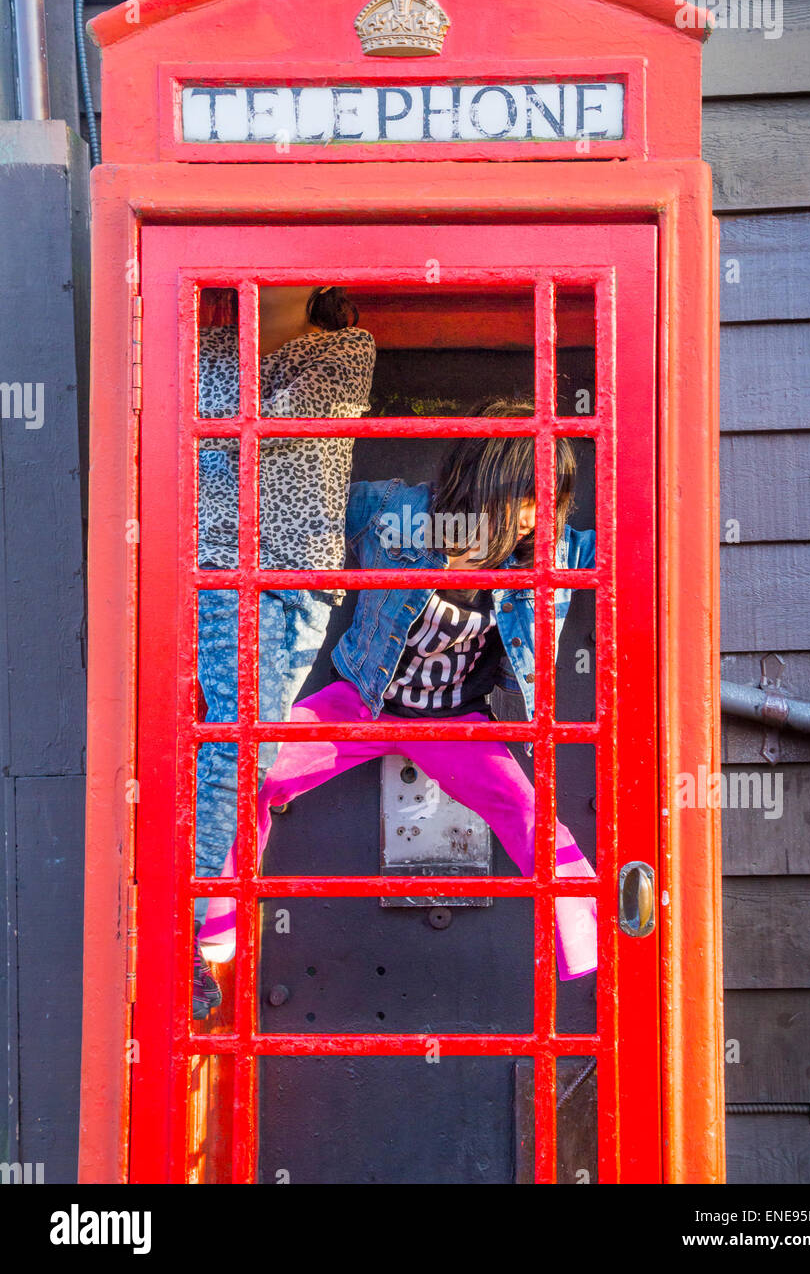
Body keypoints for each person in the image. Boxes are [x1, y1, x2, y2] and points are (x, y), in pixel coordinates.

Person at [200, 400, 597, 985]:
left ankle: (591, 955)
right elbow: (305, 499)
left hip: (454, 721)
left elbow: (637, 526)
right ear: (480, 479)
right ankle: (217, 923)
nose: (533, 518)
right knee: (250, 766)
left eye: (548, 500)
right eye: (525, 497)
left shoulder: (554, 551)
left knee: (532, 817)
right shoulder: (391, 512)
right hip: (364, 700)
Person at [194, 285, 375, 1017]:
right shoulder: (204, 342)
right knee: (224, 753)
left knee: (237, 753)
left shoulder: (346, 348)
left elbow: (263, 431)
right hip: (205, 564)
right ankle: (199, 923)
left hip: (286, 574)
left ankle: (198, 923)